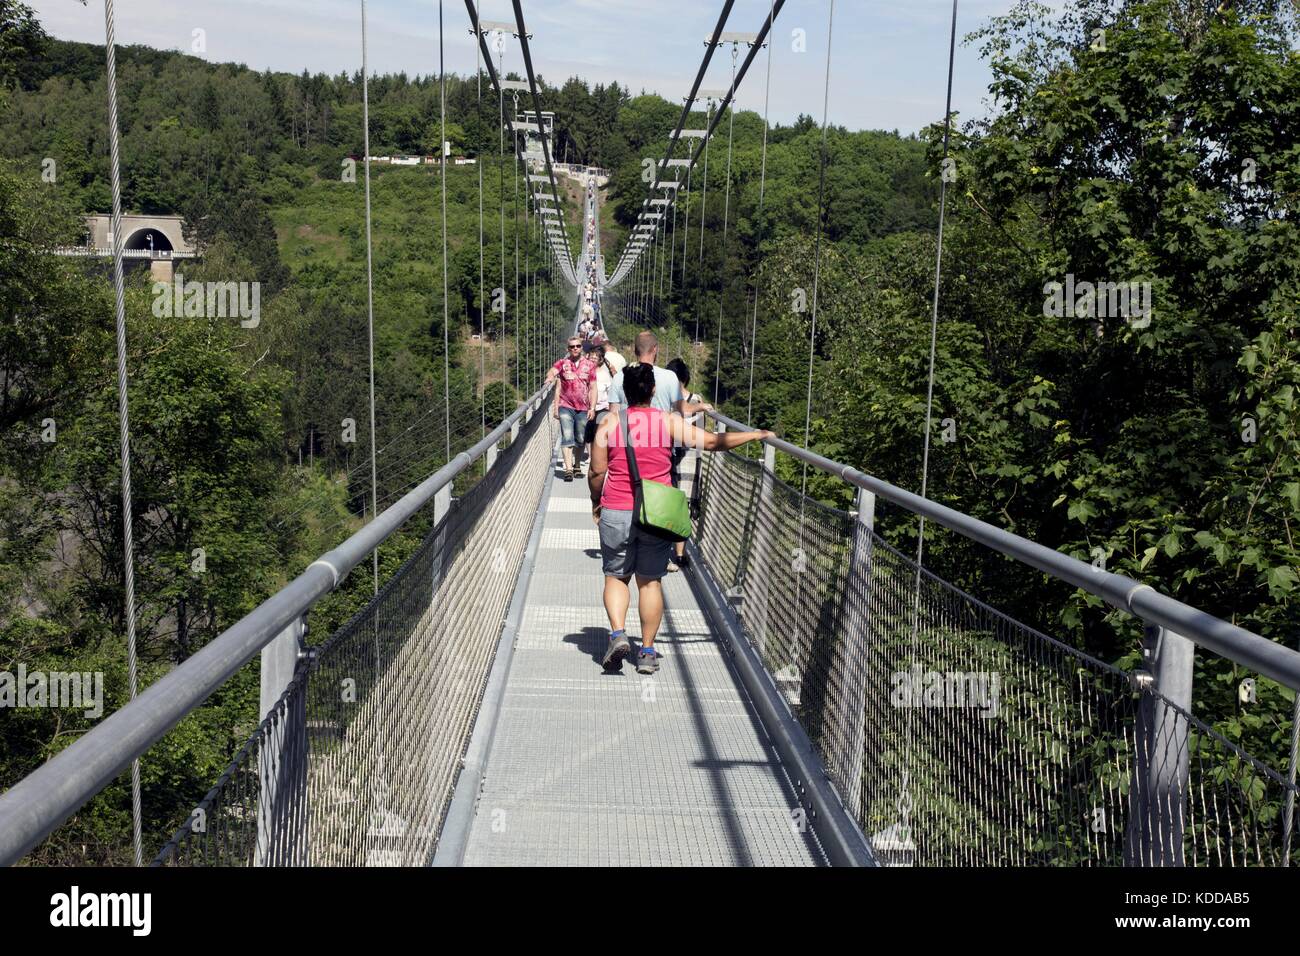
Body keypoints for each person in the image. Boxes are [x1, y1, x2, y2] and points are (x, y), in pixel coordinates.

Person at [588, 363, 771, 673]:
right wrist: (755, 435)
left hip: (617, 508)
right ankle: (646, 652)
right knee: (650, 583)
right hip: (656, 513)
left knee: (616, 576)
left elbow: (596, 471)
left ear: (623, 392)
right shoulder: (668, 422)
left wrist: (596, 501)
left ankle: (618, 634)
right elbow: (713, 443)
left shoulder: (608, 424)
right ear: (654, 390)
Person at [606, 330, 711, 420]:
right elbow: (684, 410)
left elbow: (613, 415)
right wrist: (702, 406)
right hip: (659, 439)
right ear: (655, 349)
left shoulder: (620, 377)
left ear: (635, 350)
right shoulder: (669, 377)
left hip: (629, 439)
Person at [663, 357, 705, 572]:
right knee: (679, 506)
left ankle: (673, 554)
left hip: (672, 456)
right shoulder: (694, 400)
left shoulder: (665, 399)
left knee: (674, 505)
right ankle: (676, 554)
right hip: (681, 457)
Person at [545, 336, 596, 481]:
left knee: (580, 438)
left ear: (581, 347)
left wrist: (592, 407)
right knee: (567, 436)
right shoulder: (563, 363)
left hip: (583, 408)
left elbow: (593, 387)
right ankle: (568, 469)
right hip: (565, 406)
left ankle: (577, 465)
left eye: (578, 346)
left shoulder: (589, 365)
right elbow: (552, 371)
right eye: (572, 347)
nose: (575, 349)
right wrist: (549, 377)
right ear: (568, 349)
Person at [583, 342, 627, 460]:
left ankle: (598, 456)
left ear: (600, 359)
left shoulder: (604, 375)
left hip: (602, 407)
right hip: (586, 407)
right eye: (591, 357)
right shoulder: (583, 372)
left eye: (595, 357)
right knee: (588, 434)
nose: (593, 360)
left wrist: (610, 405)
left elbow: (610, 391)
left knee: (599, 433)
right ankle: (591, 456)